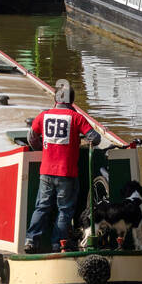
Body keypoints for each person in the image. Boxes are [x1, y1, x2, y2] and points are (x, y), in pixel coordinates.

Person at [24, 79, 101, 253]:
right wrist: (80, 139)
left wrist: (41, 150)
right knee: (64, 210)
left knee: (42, 207)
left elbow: (32, 137)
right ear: (71, 101)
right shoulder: (76, 117)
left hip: (46, 171)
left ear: (56, 100)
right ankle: (57, 244)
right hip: (67, 173)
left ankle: (30, 240)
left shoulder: (43, 116)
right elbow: (95, 138)